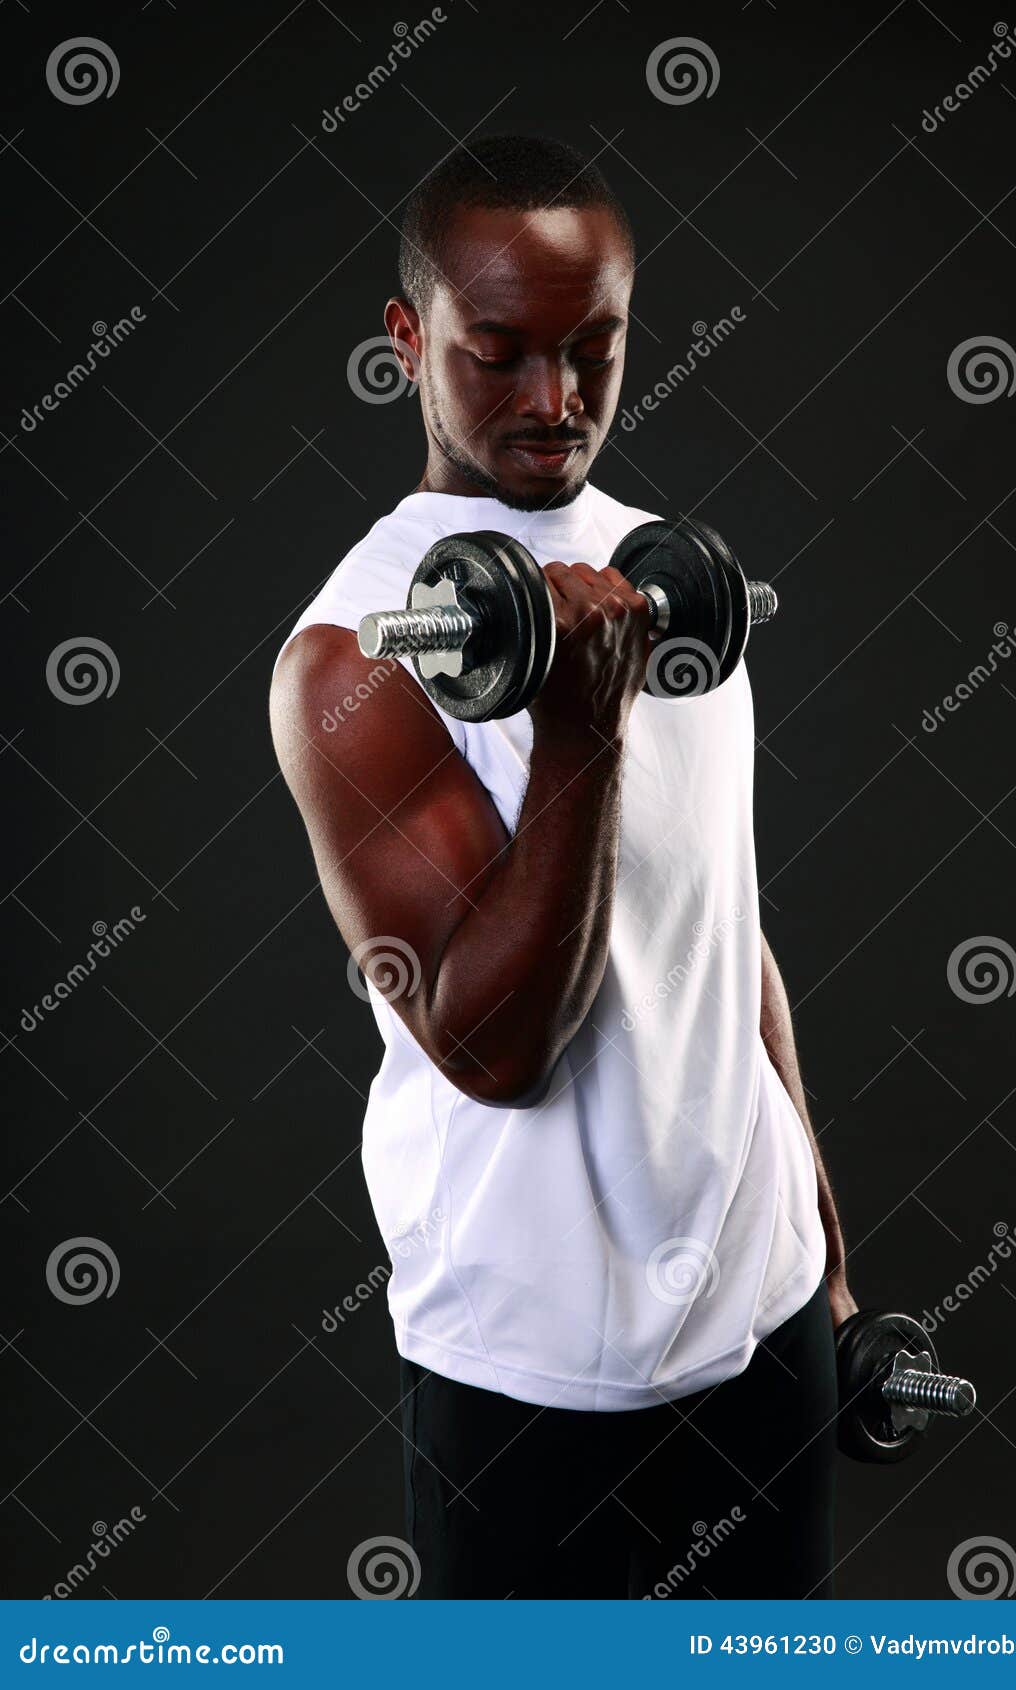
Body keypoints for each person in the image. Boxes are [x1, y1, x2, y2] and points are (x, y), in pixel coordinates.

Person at [269, 134, 856, 1599]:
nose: (554, 399)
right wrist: (582, 731)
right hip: (528, 1369)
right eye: (500, 353)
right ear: (409, 340)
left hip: (762, 1322)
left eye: (594, 348)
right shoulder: (350, 660)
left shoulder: (669, 577)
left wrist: (831, 1266)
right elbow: (496, 1047)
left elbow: (722, 930)